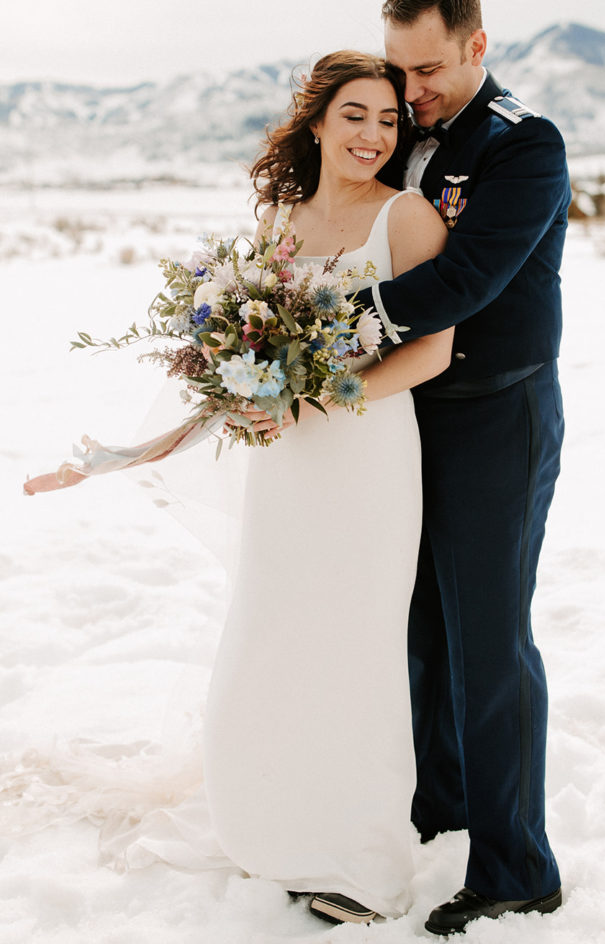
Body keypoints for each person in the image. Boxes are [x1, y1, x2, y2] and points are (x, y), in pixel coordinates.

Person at [203, 50, 454, 925]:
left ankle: (364, 866)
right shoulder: (280, 216)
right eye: (356, 115)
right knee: (275, 631)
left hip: (368, 455)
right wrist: (244, 387)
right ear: (316, 122)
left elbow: (432, 352)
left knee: (358, 647)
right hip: (285, 462)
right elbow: (252, 333)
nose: (374, 135)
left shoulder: (406, 216)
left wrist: (318, 397)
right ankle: (274, 831)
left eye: (389, 120)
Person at [354, 0, 570, 935]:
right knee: (419, 631)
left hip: (498, 419)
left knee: (489, 641)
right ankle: (437, 805)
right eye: (398, 69)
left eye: (429, 69)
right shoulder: (402, 137)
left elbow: (467, 280)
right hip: (409, 418)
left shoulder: (526, 146)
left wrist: (330, 327)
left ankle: (517, 865)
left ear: (478, 46)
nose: (411, 91)